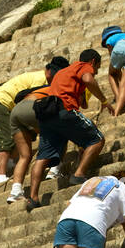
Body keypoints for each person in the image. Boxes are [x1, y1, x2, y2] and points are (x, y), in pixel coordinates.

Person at [24, 51, 116, 211]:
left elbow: (79, 97)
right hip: (64, 109)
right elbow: (88, 79)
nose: (95, 71)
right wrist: (104, 100)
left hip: (47, 115)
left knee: (43, 156)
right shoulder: (84, 67)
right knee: (97, 139)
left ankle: (33, 197)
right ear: (93, 62)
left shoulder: (64, 71)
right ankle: (79, 173)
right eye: (97, 68)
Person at [0, 59, 63, 186]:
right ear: (49, 71)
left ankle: (12, 162)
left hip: (12, 107)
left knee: (27, 135)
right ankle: (1, 175)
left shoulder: (42, 79)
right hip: (0, 102)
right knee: (5, 140)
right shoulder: (40, 80)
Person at [6, 57, 72, 202]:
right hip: (33, 108)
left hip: (16, 111)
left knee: (24, 156)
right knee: (63, 131)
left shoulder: (40, 87)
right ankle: (54, 170)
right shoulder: (58, 87)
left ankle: (15, 191)